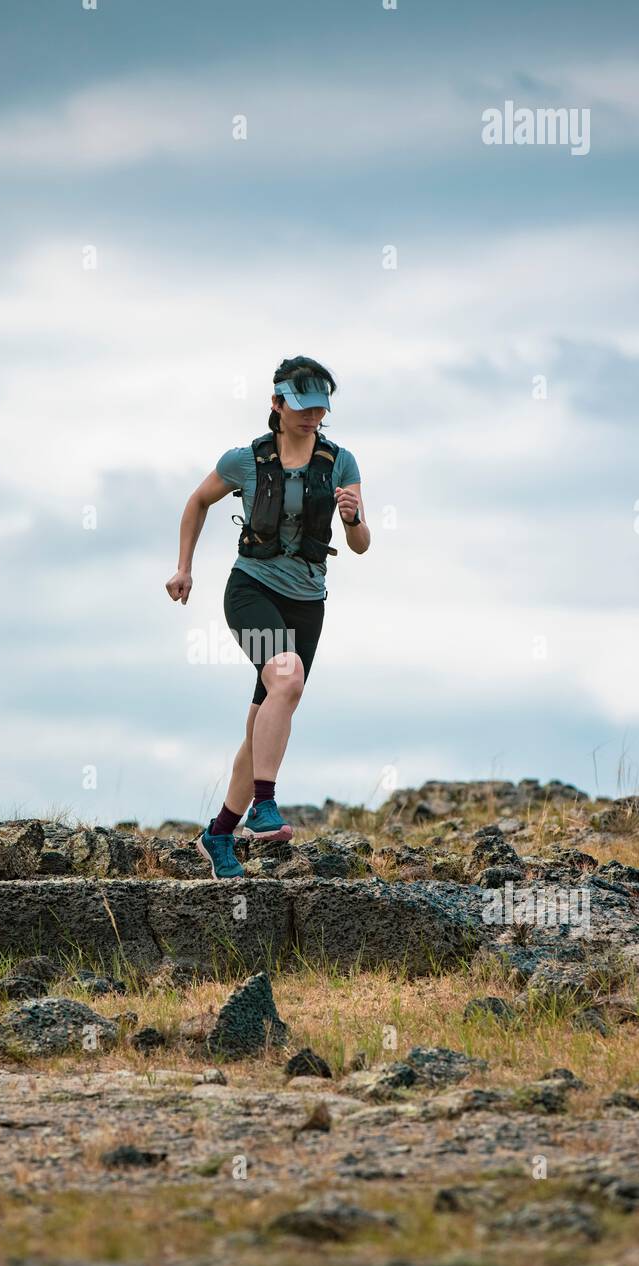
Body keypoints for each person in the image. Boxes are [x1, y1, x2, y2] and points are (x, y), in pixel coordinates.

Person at [166, 356, 369, 878]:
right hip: (251, 590)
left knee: (264, 717)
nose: (312, 417)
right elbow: (196, 502)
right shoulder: (244, 460)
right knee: (288, 678)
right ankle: (264, 804)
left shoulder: (340, 462)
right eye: (302, 407)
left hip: (308, 600)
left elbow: (361, 545)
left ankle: (218, 835)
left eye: (321, 408)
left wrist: (353, 519)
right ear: (276, 404)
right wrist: (183, 568)